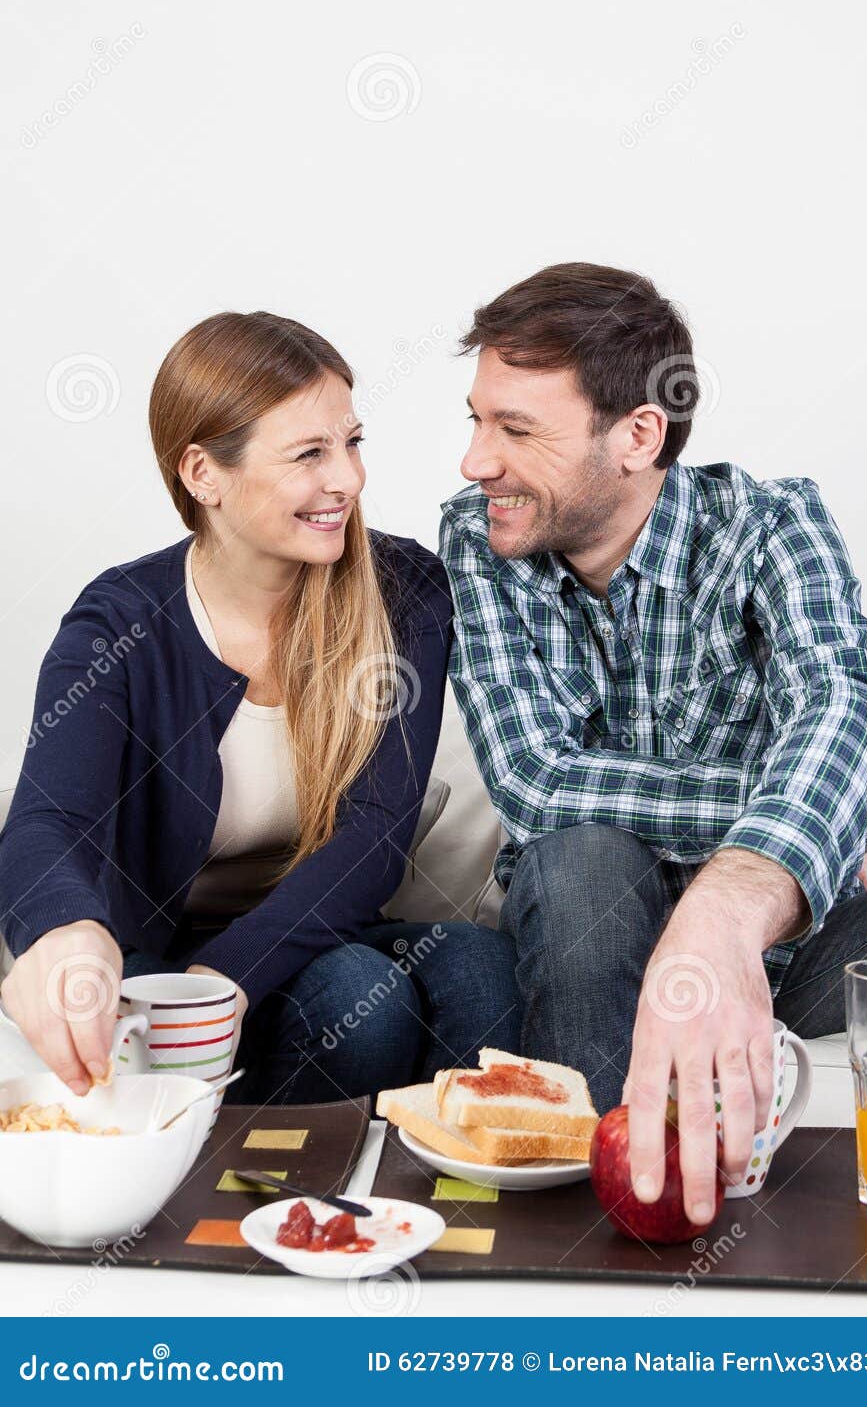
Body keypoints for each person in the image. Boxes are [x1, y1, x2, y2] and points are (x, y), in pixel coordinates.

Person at [439, 261, 867, 1227]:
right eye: (477, 418)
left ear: (637, 436)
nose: (477, 459)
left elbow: (848, 700)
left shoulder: (773, 525)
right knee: (582, 857)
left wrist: (737, 897)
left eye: (516, 430)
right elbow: (536, 778)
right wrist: (836, 812)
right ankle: (614, 1230)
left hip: (791, 942)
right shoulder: (478, 540)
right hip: (587, 934)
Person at [0, 311, 520, 1106]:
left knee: (479, 966)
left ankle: (449, 1206)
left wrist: (223, 980)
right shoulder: (121, 621)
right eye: (309, 453)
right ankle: (271, 1207)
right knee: (358, 999)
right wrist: (68, 938)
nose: (346, 478)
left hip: (304, 931)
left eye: (351, 442)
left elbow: (373, 838)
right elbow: (46, 820)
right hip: (149, 954)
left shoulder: (403, 591)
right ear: (203, 473)